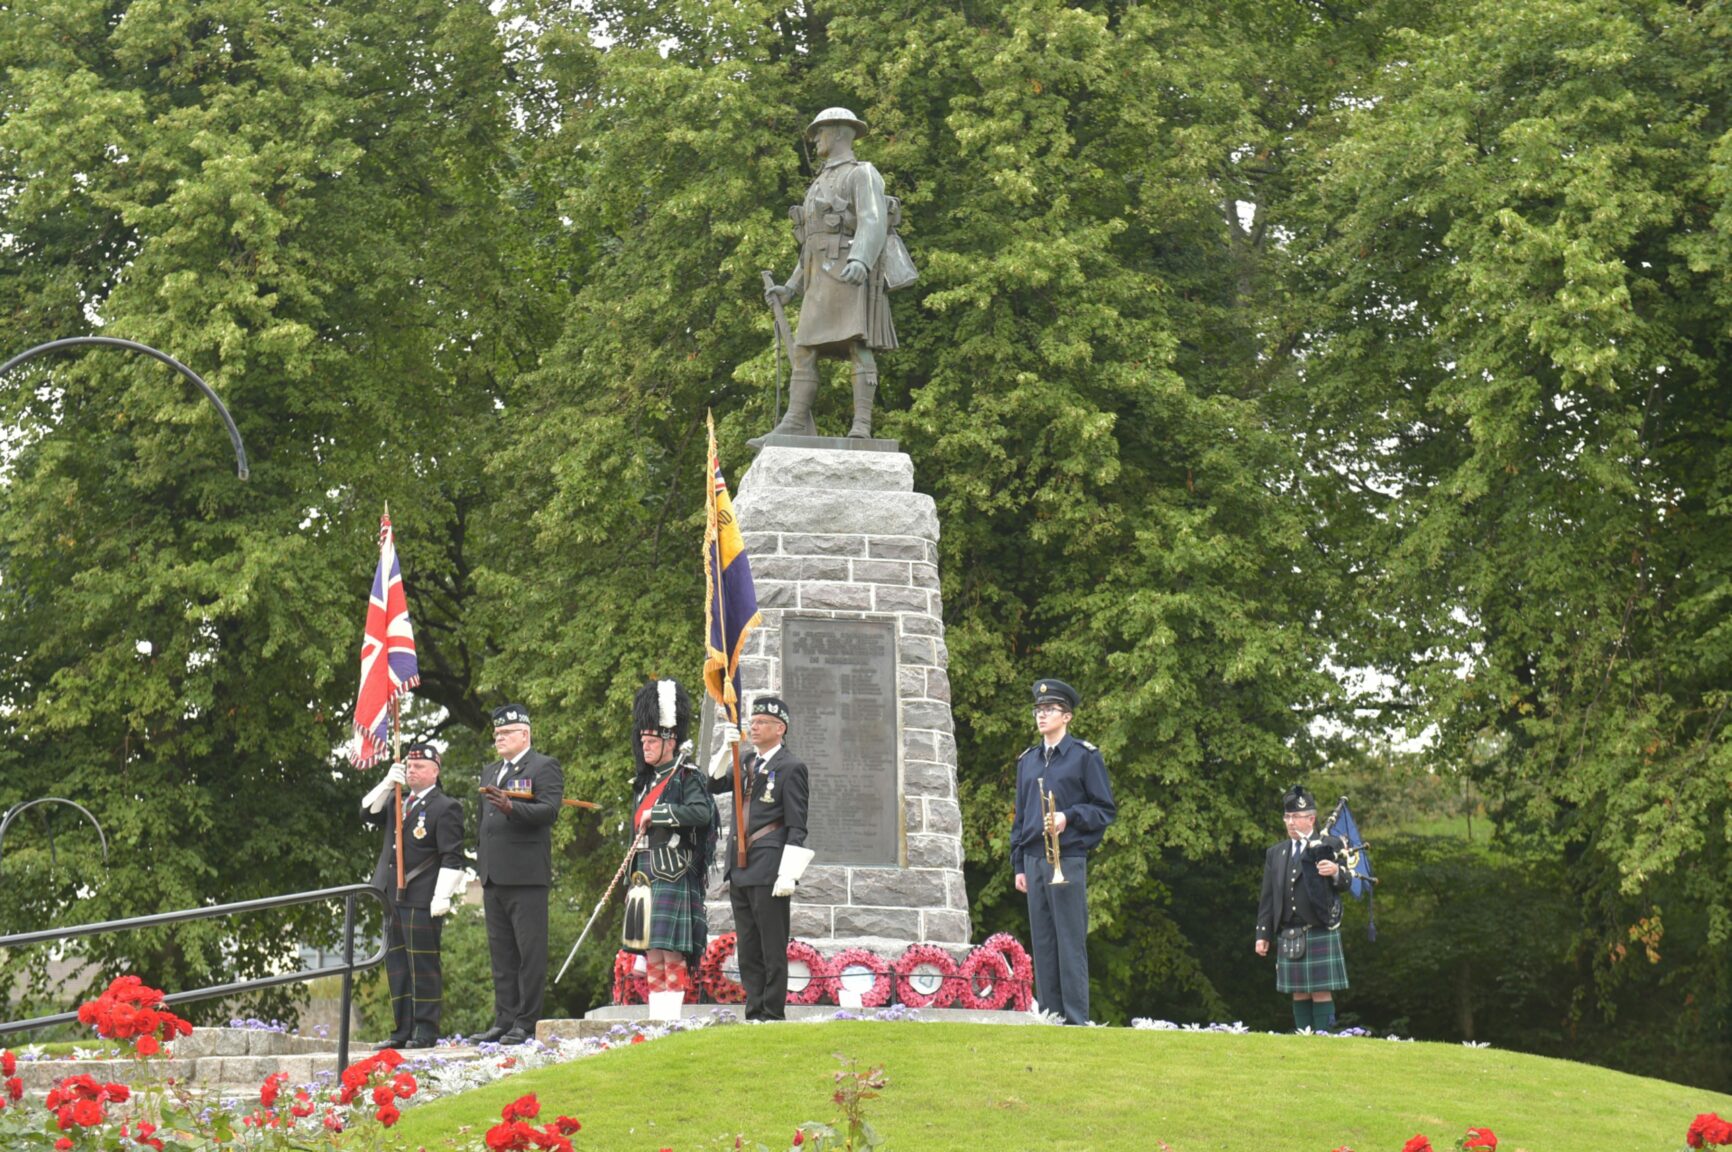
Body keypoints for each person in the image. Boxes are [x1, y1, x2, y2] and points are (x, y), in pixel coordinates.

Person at [762, 107, 900, 440]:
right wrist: (792, 287)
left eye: (820, 133)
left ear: (838, 132)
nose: (816, 141)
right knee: (804, 349)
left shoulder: (862, 173)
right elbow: (812, 241)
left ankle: (861, 426)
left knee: (857, 345)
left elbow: (872, 220)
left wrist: (862, 260)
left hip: (848, 270)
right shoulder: (820, 181)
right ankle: (795, 421)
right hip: (818, 278)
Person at [1010, 678, 1116, 1025]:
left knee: (1069, 941)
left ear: (1066, 716)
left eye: (1049, 710)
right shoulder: (1027, 761)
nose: (1041, 716)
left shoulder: (1085, 757)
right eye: (1038, 710)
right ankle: (1052, 1016)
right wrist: (1018, 865)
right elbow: (1021, 817)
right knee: (1042, 942)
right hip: (1034, 859)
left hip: (1067, 858)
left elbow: (1104, 810)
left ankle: (1075, 1018)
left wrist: (1068, 817)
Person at [707, 696, 812, 1021]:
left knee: (771, 945)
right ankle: (754, 1011)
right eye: (752, 721)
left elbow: (796, 825)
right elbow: (712, 783)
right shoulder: (746, 761)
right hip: (740, 867)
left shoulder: (791, 768)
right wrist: (726, 751)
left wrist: (789, 873)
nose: (753, 726)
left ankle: (772, 1012)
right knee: (749, 947)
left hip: (769, 867)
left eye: (762, 722)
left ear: (780, 728)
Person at [360, 742, 466, 1049]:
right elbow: (367, 812)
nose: (412, 771)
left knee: (423, 965)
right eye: (409, 766)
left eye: (419, 766)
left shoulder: (445, 807)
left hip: (422, 895)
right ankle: (401, 1029)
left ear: (435, 771)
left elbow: (452, 857)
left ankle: (425, 1030)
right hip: (393, 894)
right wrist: (385, 783)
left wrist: (442, 896)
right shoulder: (397, 800)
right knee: (397, 966)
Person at [474, 703, 564, 1044]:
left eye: (506, 733)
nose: (499, 738)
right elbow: (481, 823)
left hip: (526, 876)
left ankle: (526, 1021)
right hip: (493, 876)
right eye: (496, 733)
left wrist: (513, 807)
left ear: (524, 734)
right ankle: (504, 1017)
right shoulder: (489, 771)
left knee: (530, 953)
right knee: (502, 955)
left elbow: (549, 810)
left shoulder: (543, 767)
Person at [628, 679, 717, 999]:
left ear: (670, 739)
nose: (645, 746)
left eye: (651, 739)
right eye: (643, 739)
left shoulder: (686, 776)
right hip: (644, 872)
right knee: (650, 950)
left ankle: (673, 1013)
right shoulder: (644, 783)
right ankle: (658, 1013)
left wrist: (660, 815)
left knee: (670, 952)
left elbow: (702, 814)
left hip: (672, 870)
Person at [1254, 785, 1352, 1031]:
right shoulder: (1276, 853)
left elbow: (1349, 881)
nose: (1290, 822)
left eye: (1296, 817)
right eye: (1287, 817)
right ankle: (1303, 1041)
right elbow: (1268, 897)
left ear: (1311, 818)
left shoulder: (1328, 844)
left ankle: (1325, 1039)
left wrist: (1336, 872)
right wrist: (1262, 934)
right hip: (1288, 932)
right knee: (1298, 992)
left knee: (1320, 991)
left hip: (1318, 927)